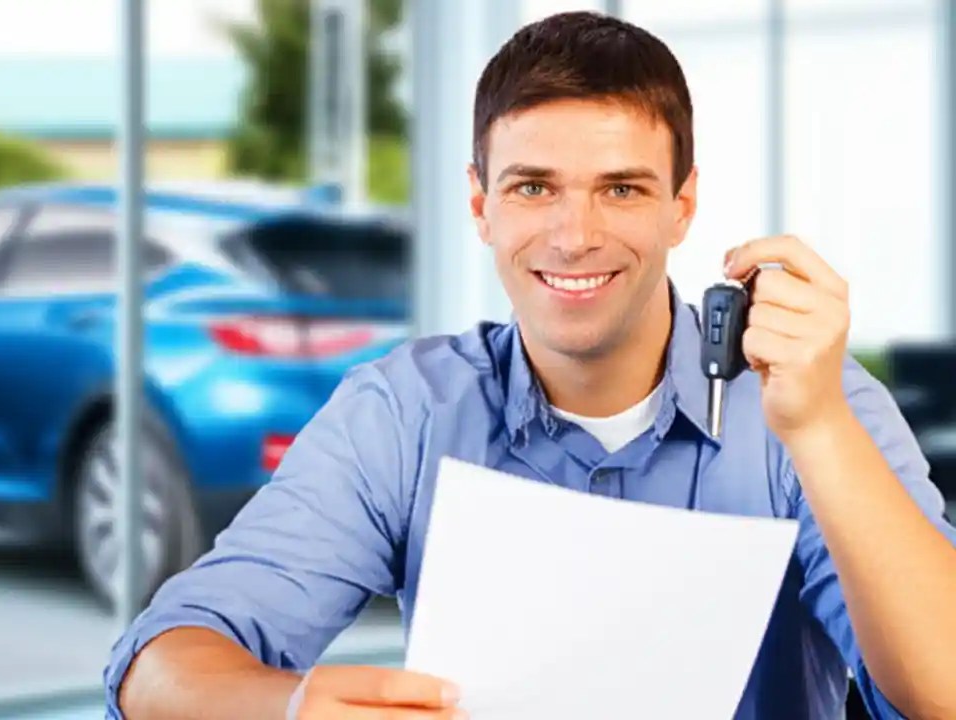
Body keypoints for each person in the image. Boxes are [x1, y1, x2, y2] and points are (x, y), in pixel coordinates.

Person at [103, 11, 956, 719]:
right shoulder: (406, 411)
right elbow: (157, 668)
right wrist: (287, 708)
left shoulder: (816, 403)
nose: (573, 235)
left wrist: (817, 430)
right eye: (533, 187)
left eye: (620, 188)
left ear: (682, 205)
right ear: (481, 203)